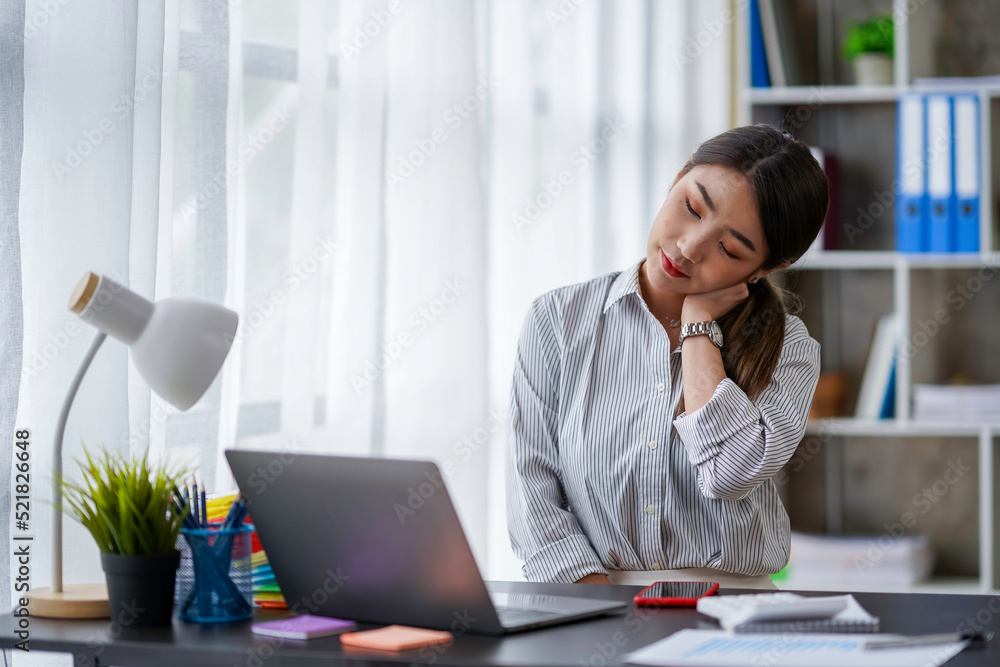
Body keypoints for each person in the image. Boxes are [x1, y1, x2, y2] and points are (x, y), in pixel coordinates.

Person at [505, 123, 828, 589]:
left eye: (729, 248)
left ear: (767, 269)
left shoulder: (790, 349)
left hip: (733, 621)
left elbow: (730, 473)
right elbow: (531, 493)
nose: (688, 247)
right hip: (593, 609)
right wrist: (601, 620)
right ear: (678, 176)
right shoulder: (556, 320)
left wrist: (699, 330)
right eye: (692, 207)